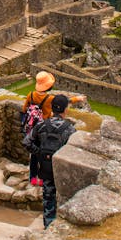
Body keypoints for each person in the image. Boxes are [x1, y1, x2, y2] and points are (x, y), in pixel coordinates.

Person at [24, 94, 76, 228]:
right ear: (65, 109)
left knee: (48, 201)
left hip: (46, 170)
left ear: (52, 108)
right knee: (64, 201)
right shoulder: (70, 129)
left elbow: (26, 142)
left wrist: (40, 153)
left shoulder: (41, 125)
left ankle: (48, 227)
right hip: (63, 173)